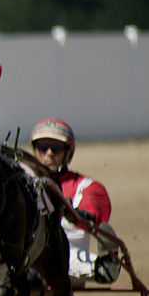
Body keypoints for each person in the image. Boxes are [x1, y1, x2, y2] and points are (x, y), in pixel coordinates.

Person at [27, 118, 121, 285]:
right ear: (35, 150)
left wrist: (69, 212)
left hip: (68, 258)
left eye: (56, 148)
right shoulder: (23, 184)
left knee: (54, 258)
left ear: (67, 152)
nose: (49, 153)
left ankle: (103, 267)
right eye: (43, 147)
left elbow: (93, 221)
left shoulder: (87, 186)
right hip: (28, 255)